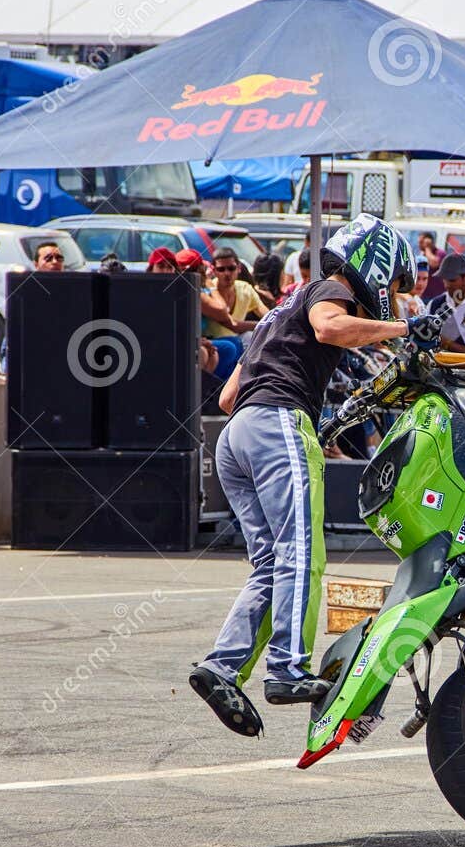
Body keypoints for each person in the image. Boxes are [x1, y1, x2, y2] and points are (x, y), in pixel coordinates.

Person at [188, 214, 444, 737]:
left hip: (236, 434)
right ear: (374, 262)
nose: (391, 295)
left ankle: (223, 665)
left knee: (270, 563)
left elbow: (227, 396)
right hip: (278, 422)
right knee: (303, 552)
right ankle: (288, 669)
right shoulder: (330, 290)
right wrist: (404, 330)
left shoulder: (281, 306)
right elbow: (330, 327)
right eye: (393, 282)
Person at [201, 247, 267, 381]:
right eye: (221, 269)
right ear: (213, 270)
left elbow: (267, 314)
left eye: (231, 268)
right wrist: (260, 324)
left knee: (251, 337)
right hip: (213, 341)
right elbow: (233, 325)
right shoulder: (209, 289)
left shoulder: (245, 288)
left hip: (236, 343)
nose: (227, 273)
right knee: (236, 343)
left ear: (239, 268)